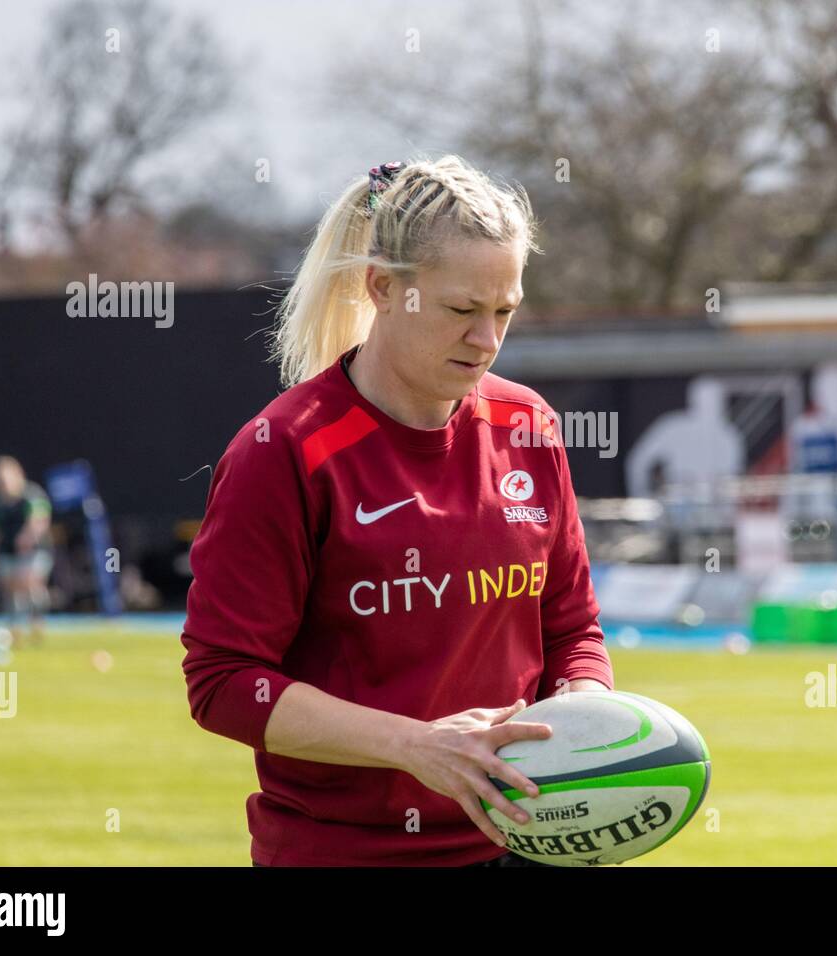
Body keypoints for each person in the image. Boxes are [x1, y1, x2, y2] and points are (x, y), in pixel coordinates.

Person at [180, 154, 615, 867]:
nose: (487, 340)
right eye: (462, 310)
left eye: (504, 311)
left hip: (529, 844)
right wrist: (418, 746)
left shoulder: (527, 425)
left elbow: (571, 628)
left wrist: (584, 716)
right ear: (383, 288)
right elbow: (224, 682)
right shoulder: (282, 451)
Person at [0, 456, 53, 648]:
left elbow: (39, 519)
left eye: (6, 480)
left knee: (29, 586)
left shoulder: (32, 495)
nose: (3, 485)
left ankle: (37, 624)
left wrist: (27, 537)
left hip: (34, 552)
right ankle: (15, 630)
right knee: (12, 592)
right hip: (8, 552)